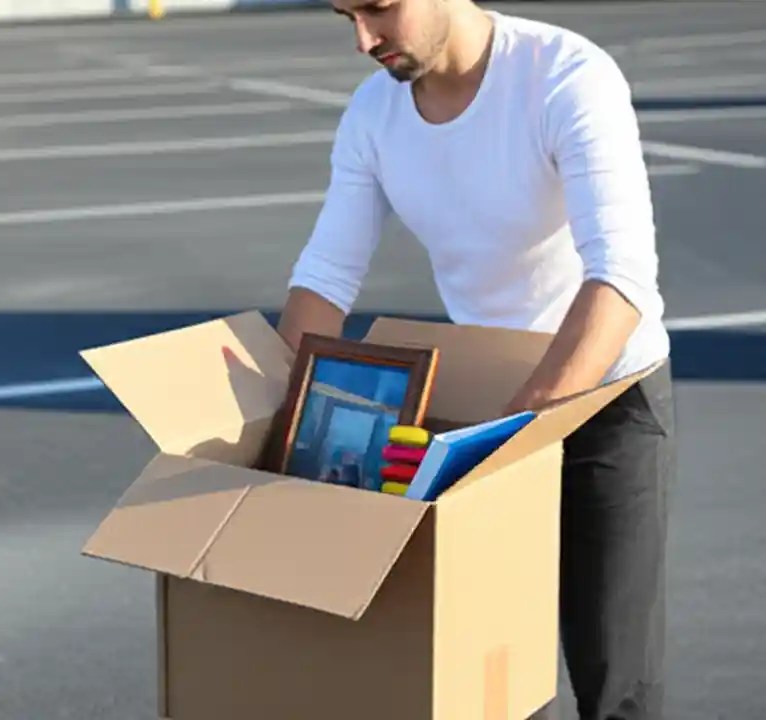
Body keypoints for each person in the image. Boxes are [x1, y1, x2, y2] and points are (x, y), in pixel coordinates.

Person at [274, 1, 677, 719]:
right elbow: (325, 279)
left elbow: (621, 280)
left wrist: (505, 445)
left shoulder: (566, 77)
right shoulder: (374, 115)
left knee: (616, 683)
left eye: (378, 8)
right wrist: (275, 433)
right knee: (495, 682)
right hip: (489, 407)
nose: (363, 40)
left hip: (608, 397)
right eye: (346, 16)